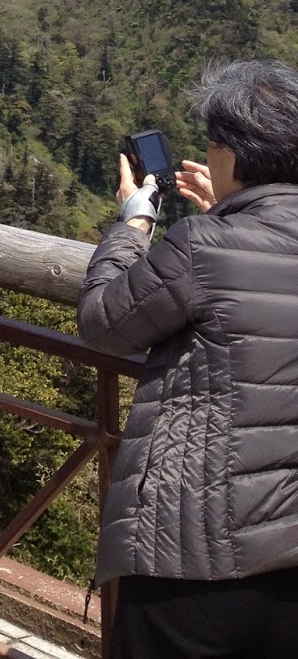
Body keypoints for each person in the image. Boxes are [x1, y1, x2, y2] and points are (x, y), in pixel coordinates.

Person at [76, 59, 298, 658]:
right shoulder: (216, 238)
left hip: (195, 557)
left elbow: (104, 321)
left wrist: (135, 222)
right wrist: (226, 212)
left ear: (229, 153)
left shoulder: (202, 247)